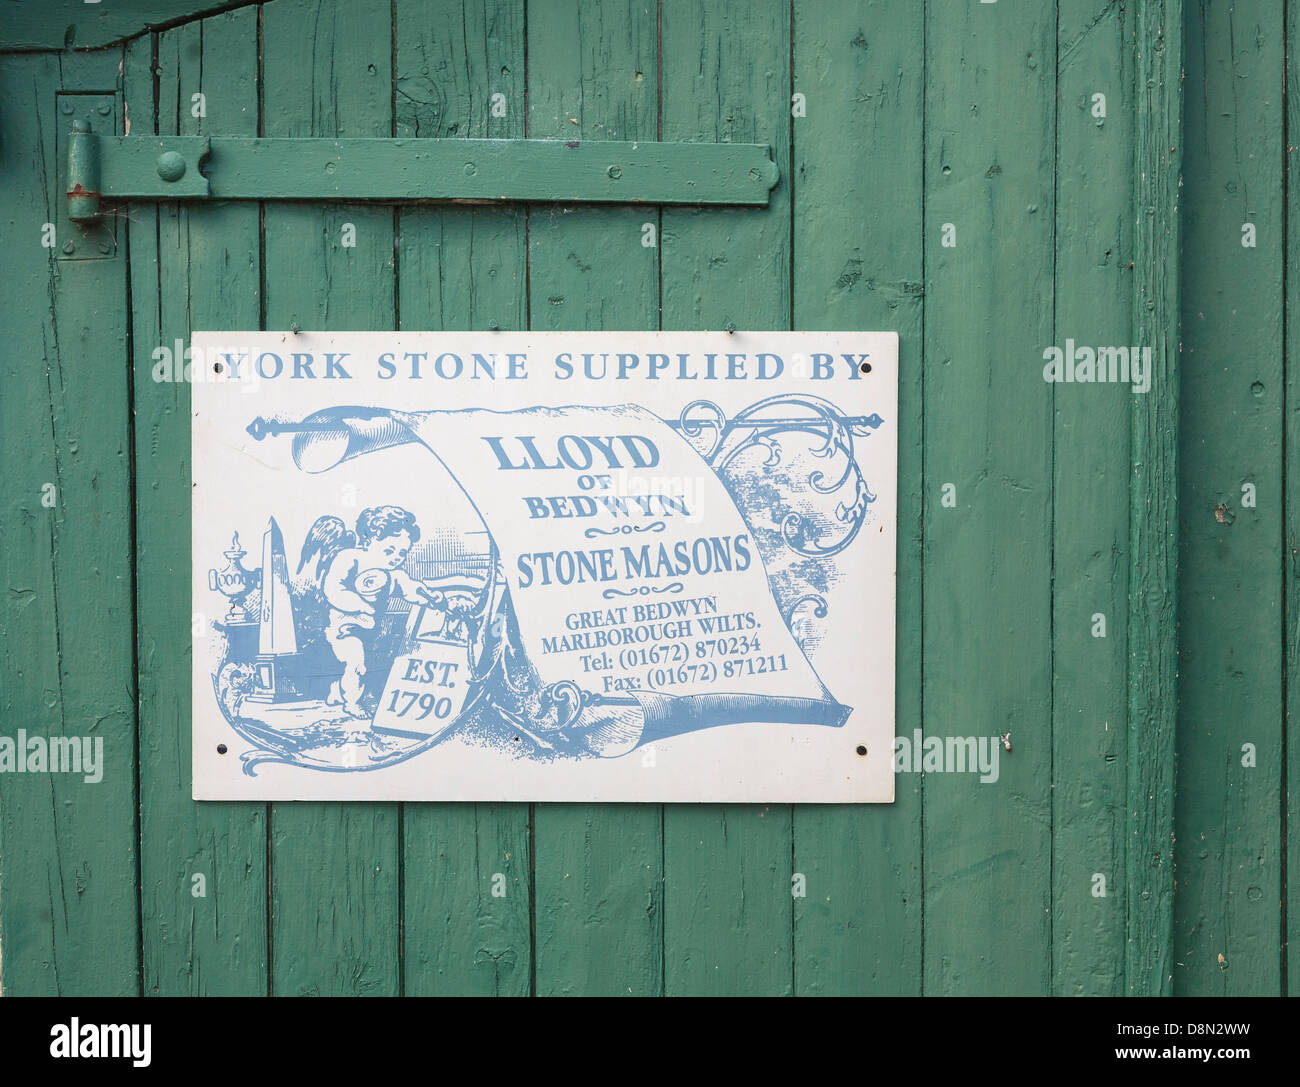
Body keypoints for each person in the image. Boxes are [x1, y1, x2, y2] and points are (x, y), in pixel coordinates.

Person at [300, 506, 438, 719]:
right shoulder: (350, 558)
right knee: (356, 660)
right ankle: (353, 703)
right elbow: (333, 589)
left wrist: (430, 597)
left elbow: (411, 589)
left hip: (370, 631)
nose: (396, 558)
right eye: (389, 550)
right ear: (369, 540)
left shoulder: (393, 575)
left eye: (402, 553)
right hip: (342, 628)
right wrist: (361, 605)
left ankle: (337, 691)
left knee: (365, 664)